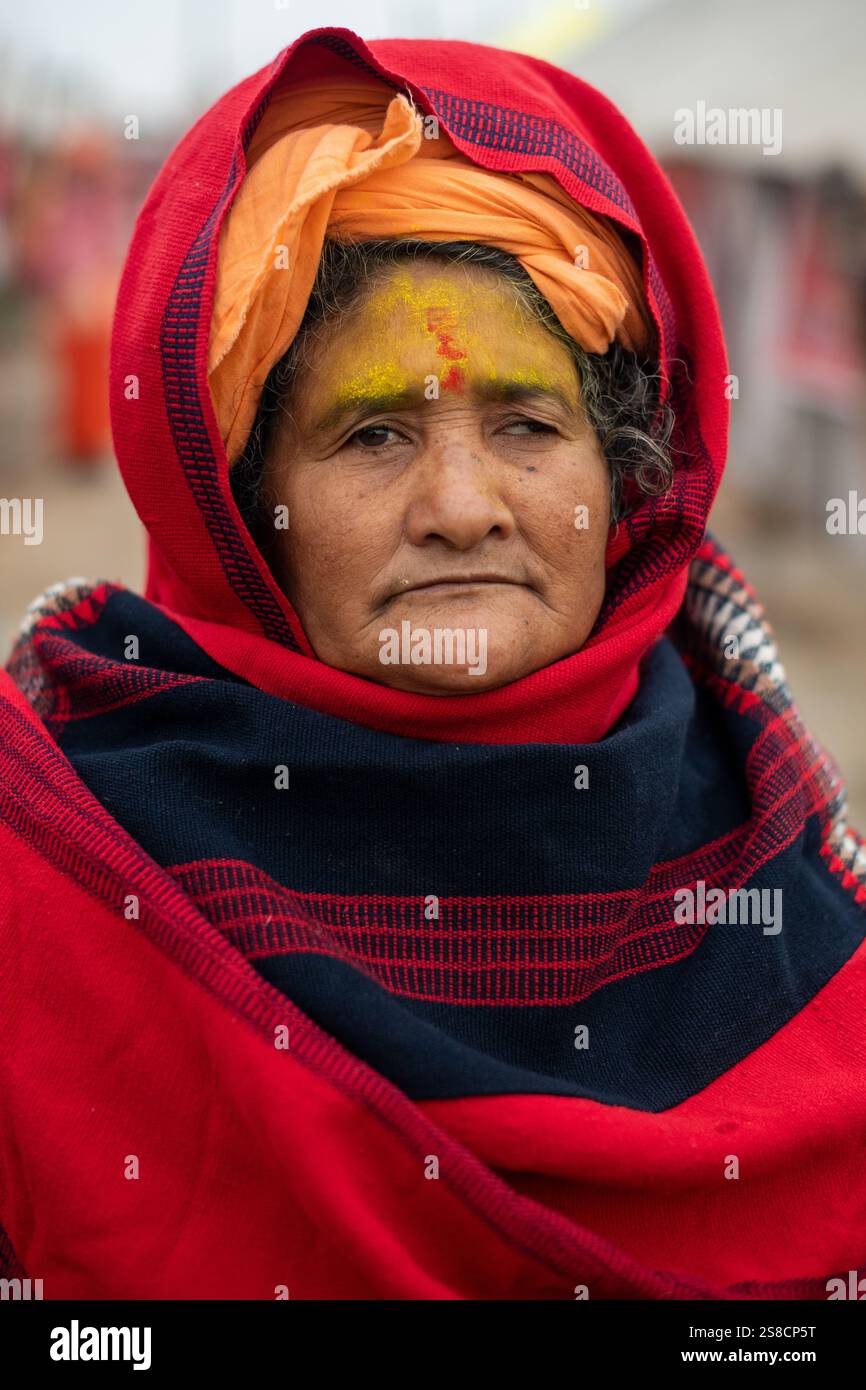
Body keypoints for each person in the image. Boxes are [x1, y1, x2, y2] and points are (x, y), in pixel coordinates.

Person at [0, 27, 864, 1301]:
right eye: (370, 435)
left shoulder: (772, 829)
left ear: (620, 474)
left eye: (525, 423)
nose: (460, 506)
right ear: (242, 507)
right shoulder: (62, 873)